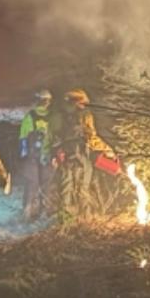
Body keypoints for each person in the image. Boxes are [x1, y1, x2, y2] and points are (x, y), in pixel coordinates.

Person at [46, 88, 113, 219]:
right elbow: (91, 137)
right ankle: (82, 218)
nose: (85, 105)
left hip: (68, 155)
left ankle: (69, 218)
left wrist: (53, 154)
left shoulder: (57, 116)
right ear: (76, 102)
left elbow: (51, 138)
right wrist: (107, 149)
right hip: (77, 155)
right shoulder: (83, 115)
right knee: (81, 186)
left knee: (69, 186)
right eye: (83, 102)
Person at [16, 89, 52, 221]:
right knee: (45, 184)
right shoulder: (52, 117)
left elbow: (23, 137)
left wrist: (23, 156)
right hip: (46, 156)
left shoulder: (29, 116)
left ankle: (27, 213)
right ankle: (43, 213)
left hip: (32, 156)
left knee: (31, 184)